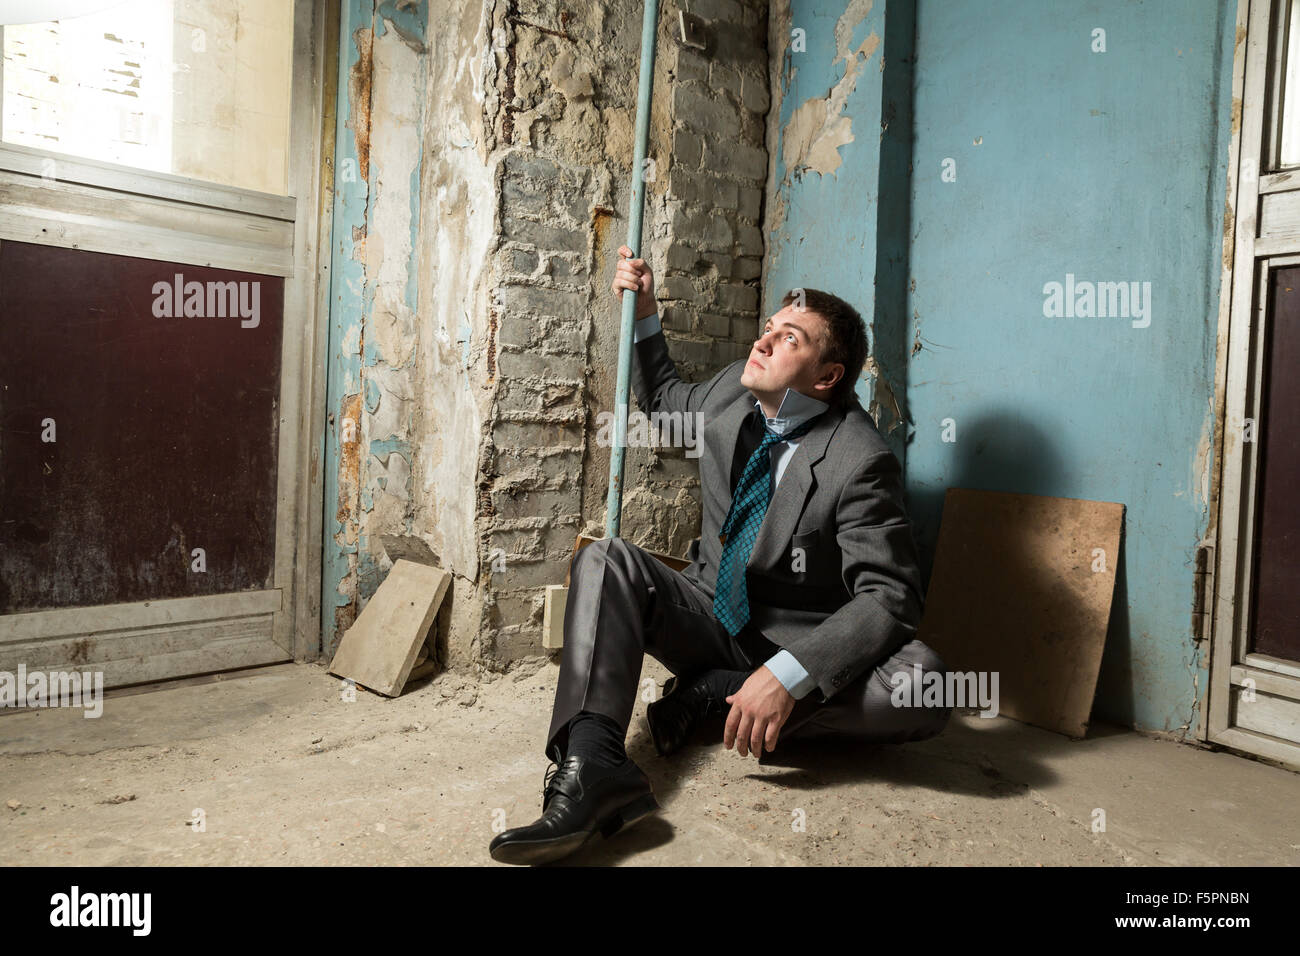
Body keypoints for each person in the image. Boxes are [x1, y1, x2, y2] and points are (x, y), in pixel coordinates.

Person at [488, 246, 951, 865]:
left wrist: (789, 676)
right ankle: (594, 764)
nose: (762, 343)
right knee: (605, 560)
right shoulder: (734, 391)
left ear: (826, 377)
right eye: (768, 328)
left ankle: (717, 695)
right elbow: (663, 404)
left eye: (788, 338)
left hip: (796, 639)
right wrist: (647, 308)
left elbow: (890, 597)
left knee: (926, 686)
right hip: (709, 613)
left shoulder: (859, 458)